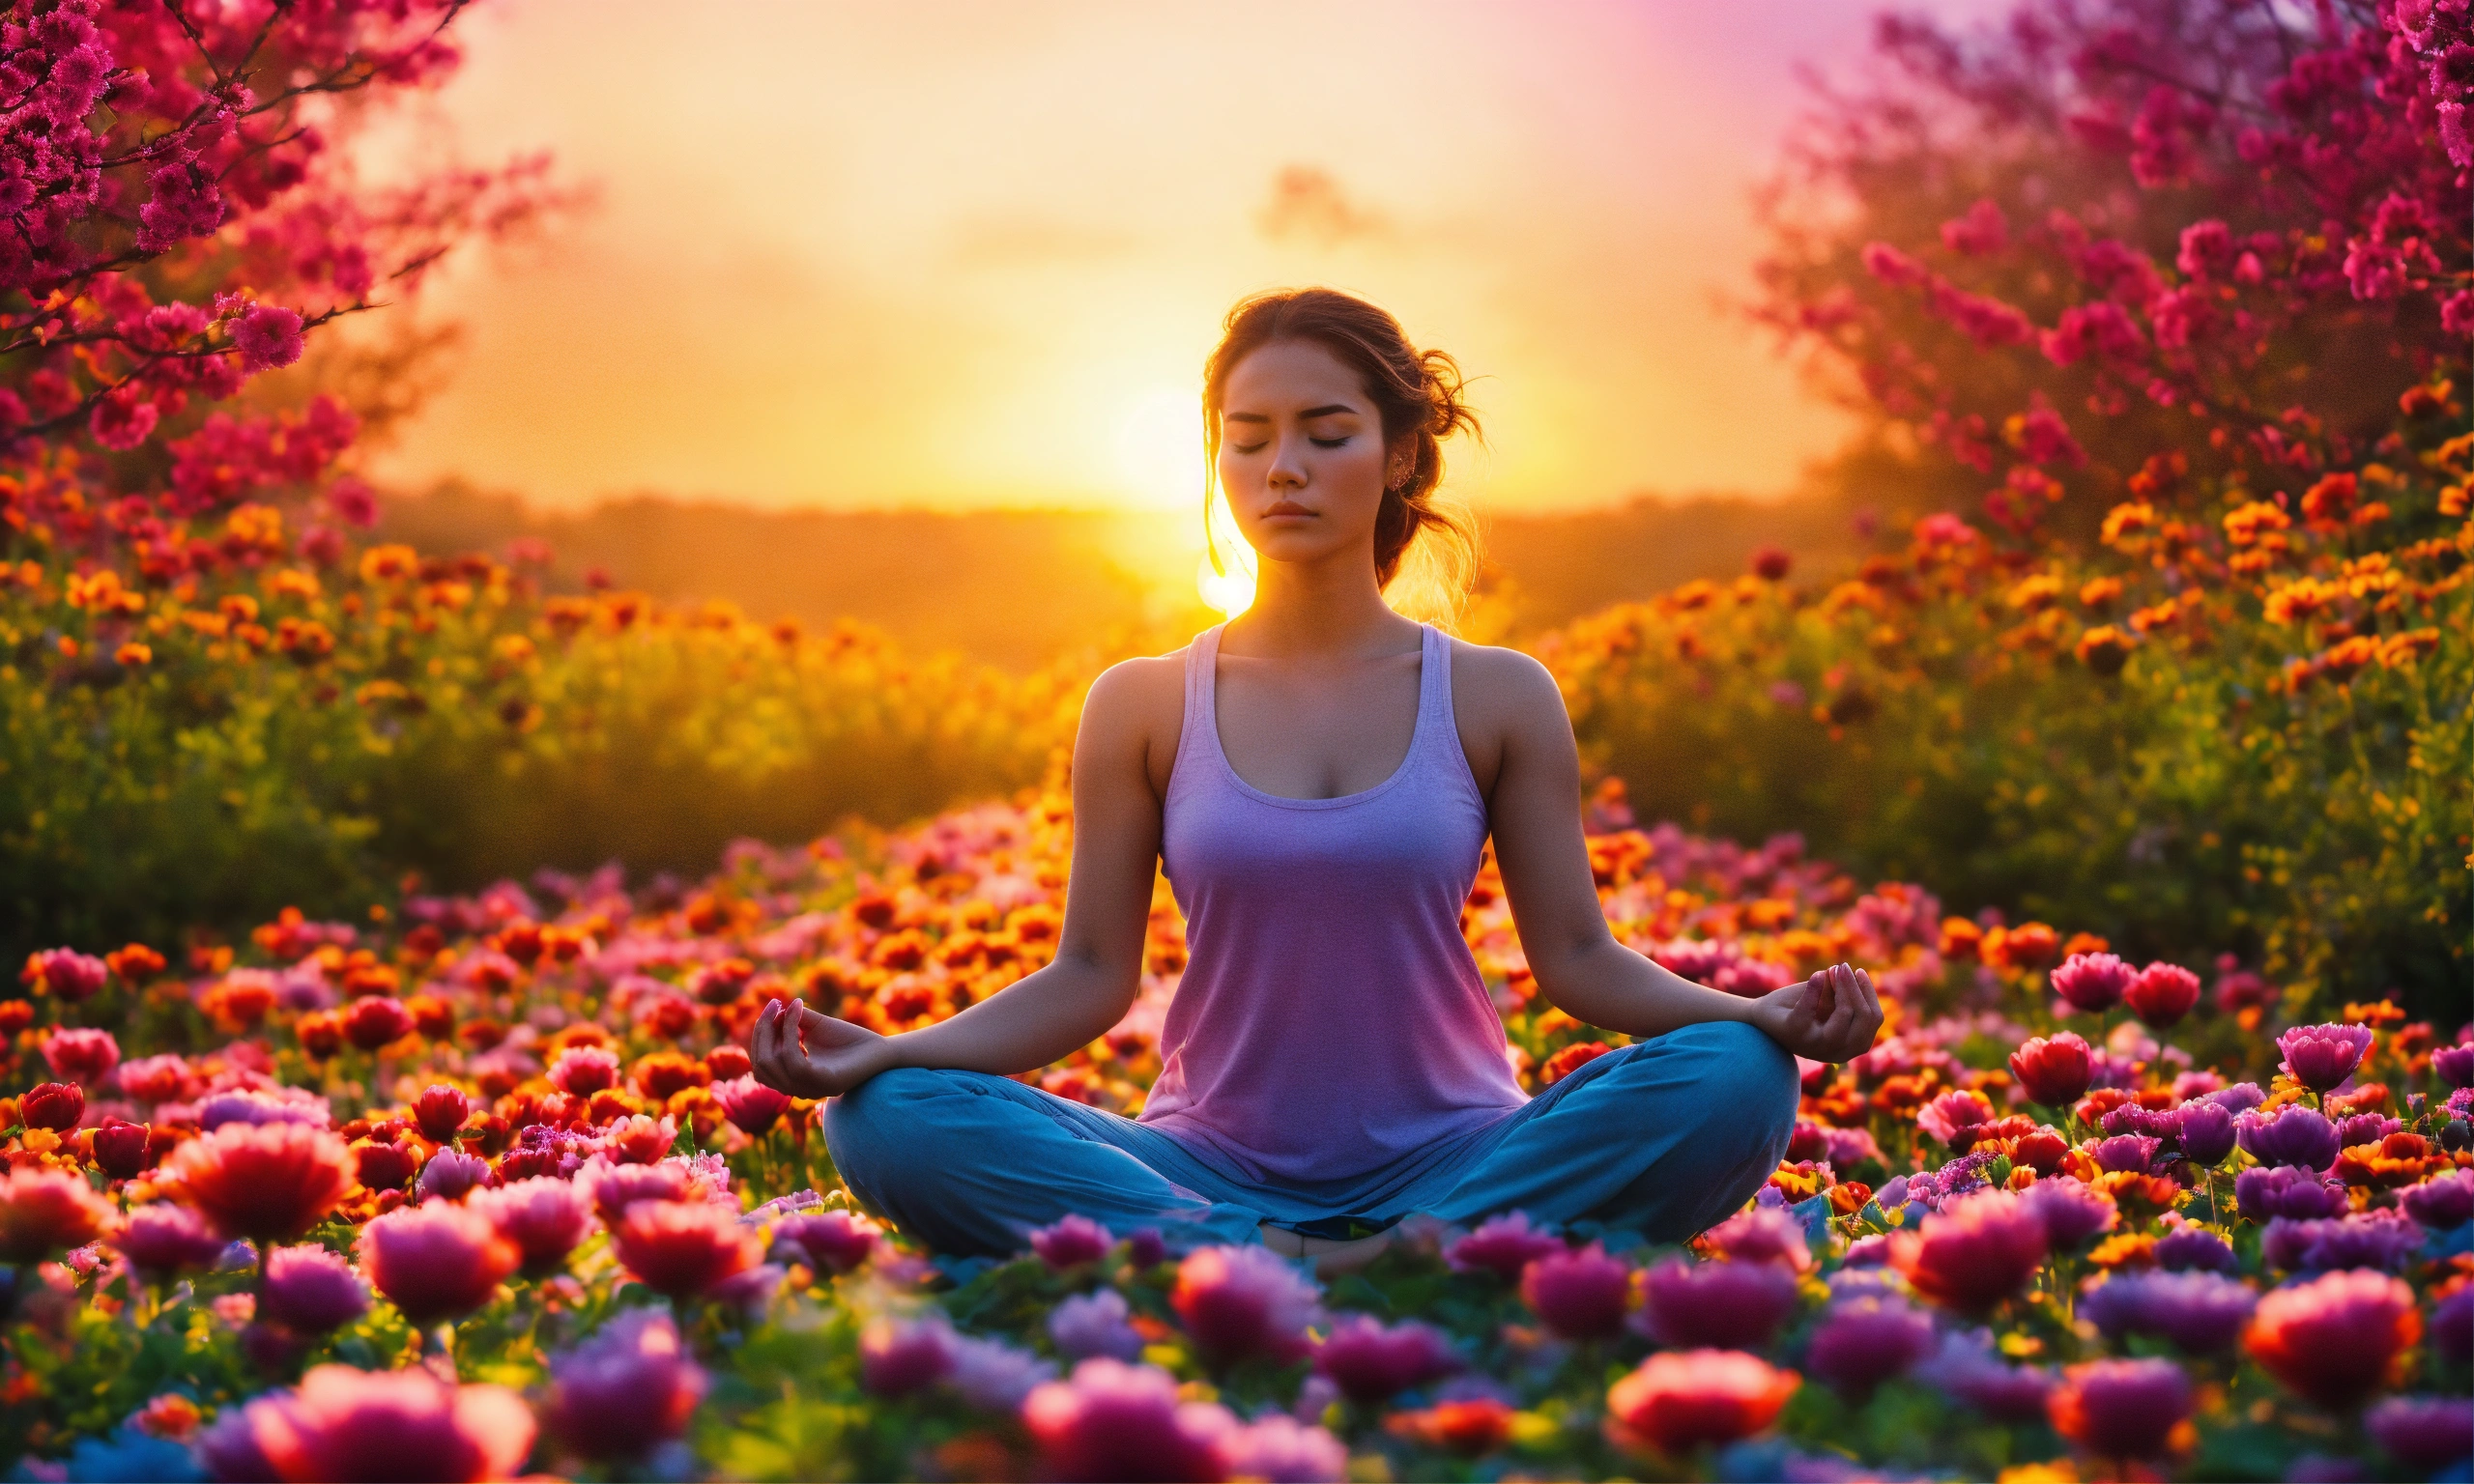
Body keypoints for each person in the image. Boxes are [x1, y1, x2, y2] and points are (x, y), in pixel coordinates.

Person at [749, 286, 1883, 1275]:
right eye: (1247, 439)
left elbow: (1577, 962)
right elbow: (1090, 977)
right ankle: (1379, 1264)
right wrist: (893, 1051)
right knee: (887, 1119)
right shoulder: (1142, 702)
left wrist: (1755, 1014)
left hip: (1459, 1154)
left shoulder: (1495, 695)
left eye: (1324, 434)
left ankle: (1316, 1261)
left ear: (1398, 455)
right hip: (1203, 1161)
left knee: (1738, 1075)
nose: (1281, 468)